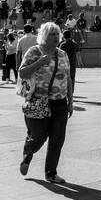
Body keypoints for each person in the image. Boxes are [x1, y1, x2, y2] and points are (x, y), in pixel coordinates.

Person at [18, 21, 73, 183]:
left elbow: (68, 78)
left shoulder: (63, 54)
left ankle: (51, 173)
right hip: (38, 101)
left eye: (57, 34)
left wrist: (70, 101)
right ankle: (28, 153)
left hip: (59, 103)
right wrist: (40, 62)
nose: (56, 37)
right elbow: (22, 72)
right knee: (39, 136)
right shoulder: (34, 51)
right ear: (44, 36)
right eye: (52, 34)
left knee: (57, 138)